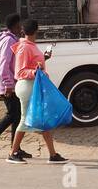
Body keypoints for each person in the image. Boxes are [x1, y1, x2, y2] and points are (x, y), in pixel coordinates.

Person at [7, 19, 67, 164]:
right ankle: (13, 152)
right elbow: (20, 71)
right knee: (25, 119)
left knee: (43, 120)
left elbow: (31, 64)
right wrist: (35, 71)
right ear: (36, 30)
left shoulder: (30, 46)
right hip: (27, 86)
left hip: (32, 86)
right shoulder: (25, 47)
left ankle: (53, 154)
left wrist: (44, 58)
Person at [0, 15, 29, 158]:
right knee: (13, 115)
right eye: (19, 26)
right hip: (8, 85)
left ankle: (15, 147)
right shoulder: (9, 41)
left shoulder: (11, 39)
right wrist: (8, 85)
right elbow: (4, 65)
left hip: (12, 84)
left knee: (17, 116)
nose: (21, 28)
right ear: (15, 26)